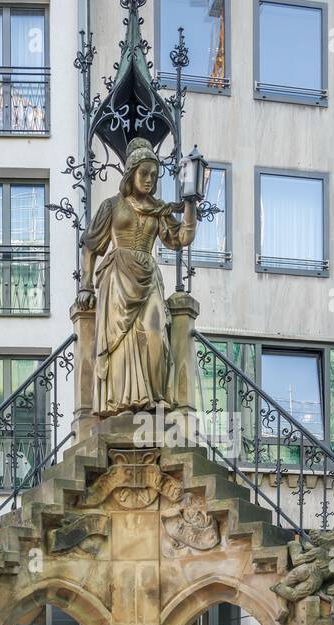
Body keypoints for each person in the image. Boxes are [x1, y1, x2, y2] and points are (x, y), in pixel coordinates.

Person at [78, 137, 197, 417]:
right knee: (120, 342)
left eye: (154, 175)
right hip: (117, 276)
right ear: (131, 174)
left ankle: (154, 399)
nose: (149, 180)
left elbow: (182, 238)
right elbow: (90, 245)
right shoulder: (112, 206)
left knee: (156, 335)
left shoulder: (159, 209)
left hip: (148, 276)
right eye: (144, 174)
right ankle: (123, 403)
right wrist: (85, 285)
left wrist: (190, 204)